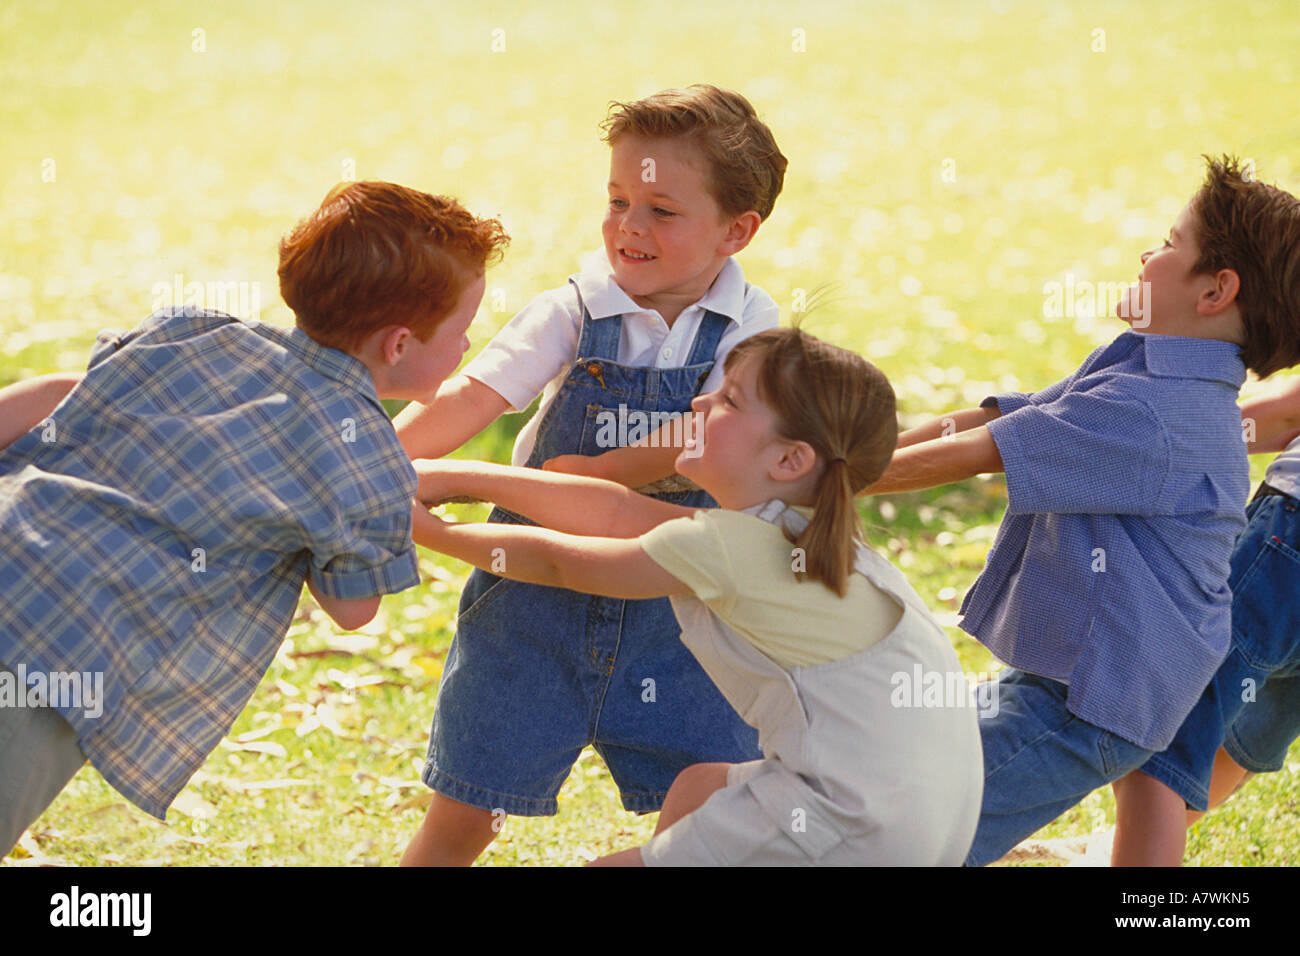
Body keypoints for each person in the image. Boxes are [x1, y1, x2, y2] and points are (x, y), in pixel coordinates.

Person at [0, 181, 508, 854]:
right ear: (399, 344)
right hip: (69, 647)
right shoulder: (365, 465)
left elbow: (65, 395)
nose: (469, 342)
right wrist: (387, 512)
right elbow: (354, 610)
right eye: (460, 330)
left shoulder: (197, 330)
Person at [862, 156, 1300, 867]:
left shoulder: (1159, 413)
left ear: (1216, 290)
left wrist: (827, 481)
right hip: (1064, 678)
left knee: (912, 832)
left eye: (1169, 243)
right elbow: (992, 419)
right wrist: (856, 453)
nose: (1147, 254)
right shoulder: (1145, 363)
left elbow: (980, 453)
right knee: (898, 791)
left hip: (1087, 704)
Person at [408, 328, 983, 865]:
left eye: (730, 400)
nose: (700, 405)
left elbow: (562, 560)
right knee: (699, 786)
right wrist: (458, 476)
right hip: (928, 817)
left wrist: (435, 534)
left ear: (789, 460)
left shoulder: (729, 547)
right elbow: (616, 510)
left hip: (844, 821)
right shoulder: (812, 537)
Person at [394, 85, 788, 866]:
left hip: (683, 614)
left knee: (707, 796)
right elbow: (475, 394)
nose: (629, 227)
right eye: (617, 200)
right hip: (534, 603)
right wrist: (381, 466)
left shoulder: (753, 325)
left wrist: (607, 468)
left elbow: (715, 426)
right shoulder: (572, 309)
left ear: (736, 231)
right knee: (468, 804)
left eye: (661, 211)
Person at [1110, 374, 1300, 865]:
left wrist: (1132, 441)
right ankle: (1126, 848)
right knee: (1249, 732)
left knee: (1161, 737)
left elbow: (1274, 415)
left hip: (1290, 547)